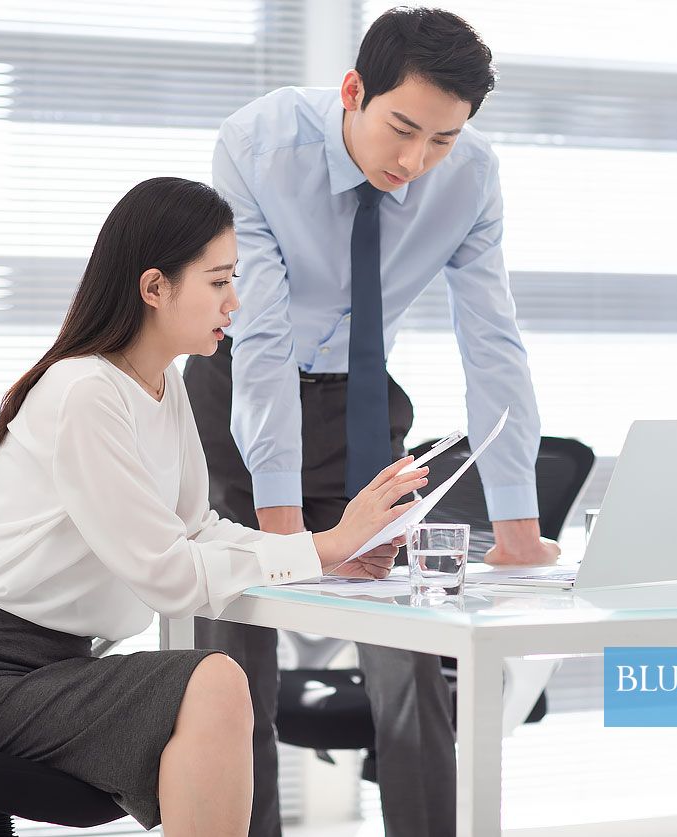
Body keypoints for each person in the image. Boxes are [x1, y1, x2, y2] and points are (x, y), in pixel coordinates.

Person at [0, 177, 428, 837]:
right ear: (154, 287)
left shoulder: (163, 384)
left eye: (234, 279)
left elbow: (196, 530)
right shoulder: (85, 391)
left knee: (209, 685)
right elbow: (168, 574)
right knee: (213, 682)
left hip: (54, 667)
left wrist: (328, 556)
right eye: (218, 281)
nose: (235, 300)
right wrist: (326, 545)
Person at [182, 8, 557, 836]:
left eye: (443, 139)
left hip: (361, 401)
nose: (415, 162)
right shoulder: (258, 144)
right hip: (240, 396)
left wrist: (518, 528)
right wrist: (286, 539)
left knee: (407, 644)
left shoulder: (471, 176)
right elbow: (263, 334)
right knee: (234, 661)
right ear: (353, 90)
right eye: (402, 129)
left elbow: (491, 341)